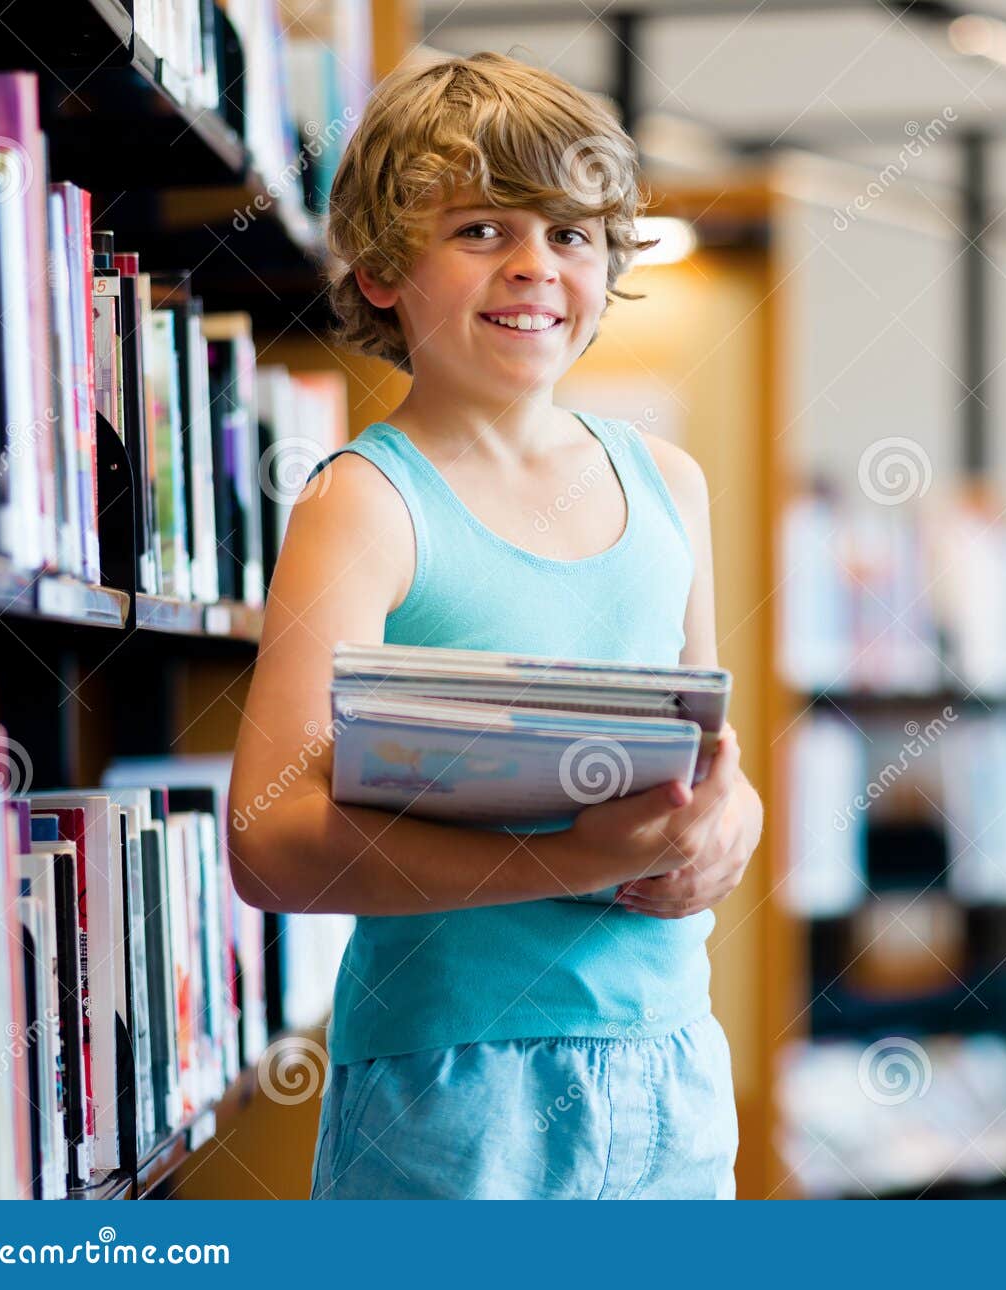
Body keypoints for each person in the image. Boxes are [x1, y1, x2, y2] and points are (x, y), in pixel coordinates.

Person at [227, 51, 762, 1200]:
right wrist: (570, 861)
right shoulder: (364, 503)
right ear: (381, 270)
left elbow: (714, 759)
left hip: (670, 1068)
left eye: (570, 234)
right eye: (481, 230)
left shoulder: (671, 485)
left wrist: (731, 831)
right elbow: (269, 840)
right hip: (455, 1090)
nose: (534, 265)